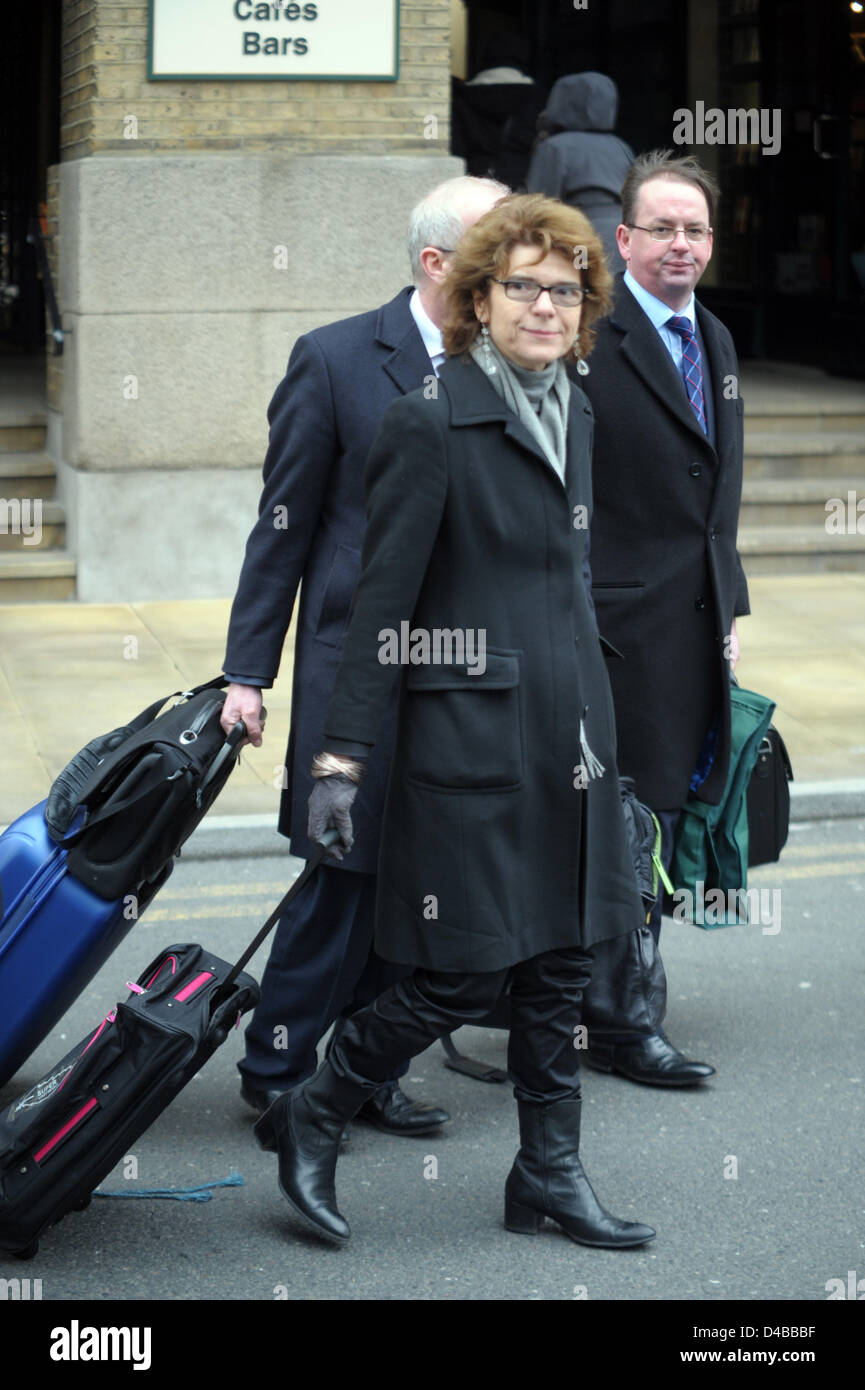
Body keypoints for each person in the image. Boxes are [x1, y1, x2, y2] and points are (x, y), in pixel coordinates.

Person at [254, 193, 656, 1251]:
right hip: (469, 743)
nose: (543, 305)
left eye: (564, 290)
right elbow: (378, 605)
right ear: (477, 296)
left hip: (568, 737)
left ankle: (547, 1175)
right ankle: (318, 1102)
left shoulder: (577, 408)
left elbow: (565, 584)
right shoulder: (427, 419)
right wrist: (340, 756)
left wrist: (603, 722)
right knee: (464, 969)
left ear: (584, 307)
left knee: (563, 961)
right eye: (520, 284)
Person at [220, 175, 507, 1134]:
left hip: (463, 669)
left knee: (420, 875)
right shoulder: (337, 359)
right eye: (494, 247)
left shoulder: (516, 360)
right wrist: (247, 672)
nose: (521, 270)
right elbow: (283, 528)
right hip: (358, 662)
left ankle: (361, 1071)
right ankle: (276, 1063)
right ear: (436, 263)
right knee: (341, 873)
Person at [578, 150, 750, 1086]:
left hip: (693, 627)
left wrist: (730, 605)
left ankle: (604, 1000)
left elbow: (718, 490)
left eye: (694, 229)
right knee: (628, 824)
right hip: (612, 630)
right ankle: (621, 1022)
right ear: (624, 239)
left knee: (669, 815)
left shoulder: (712, 338)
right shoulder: (587, 337)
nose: (678, 243)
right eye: (661, 228)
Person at [526, 72, 634, 267]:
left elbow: (539, 204)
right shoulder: (621, 147)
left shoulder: (554, 147)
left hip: (580, 235)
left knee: (582, 283)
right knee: (620, 289)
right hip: (623, 236)